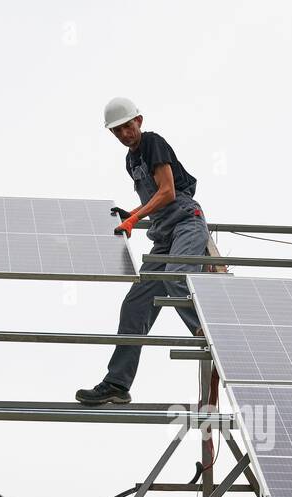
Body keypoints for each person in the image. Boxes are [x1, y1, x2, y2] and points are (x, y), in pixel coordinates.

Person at [76, 98, 207, 406]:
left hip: (186, 223)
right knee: (135, 305)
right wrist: (130, 213)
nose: (124, 134)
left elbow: (168, 192)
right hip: (163, 234)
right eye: (117, 131)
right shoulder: (130, 161)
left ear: (139, 121)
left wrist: (135, 218)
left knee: (177, 277)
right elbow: (155, 201)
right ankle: (117, 383)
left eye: (127, 126)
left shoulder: (152, 143)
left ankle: (208, 334)